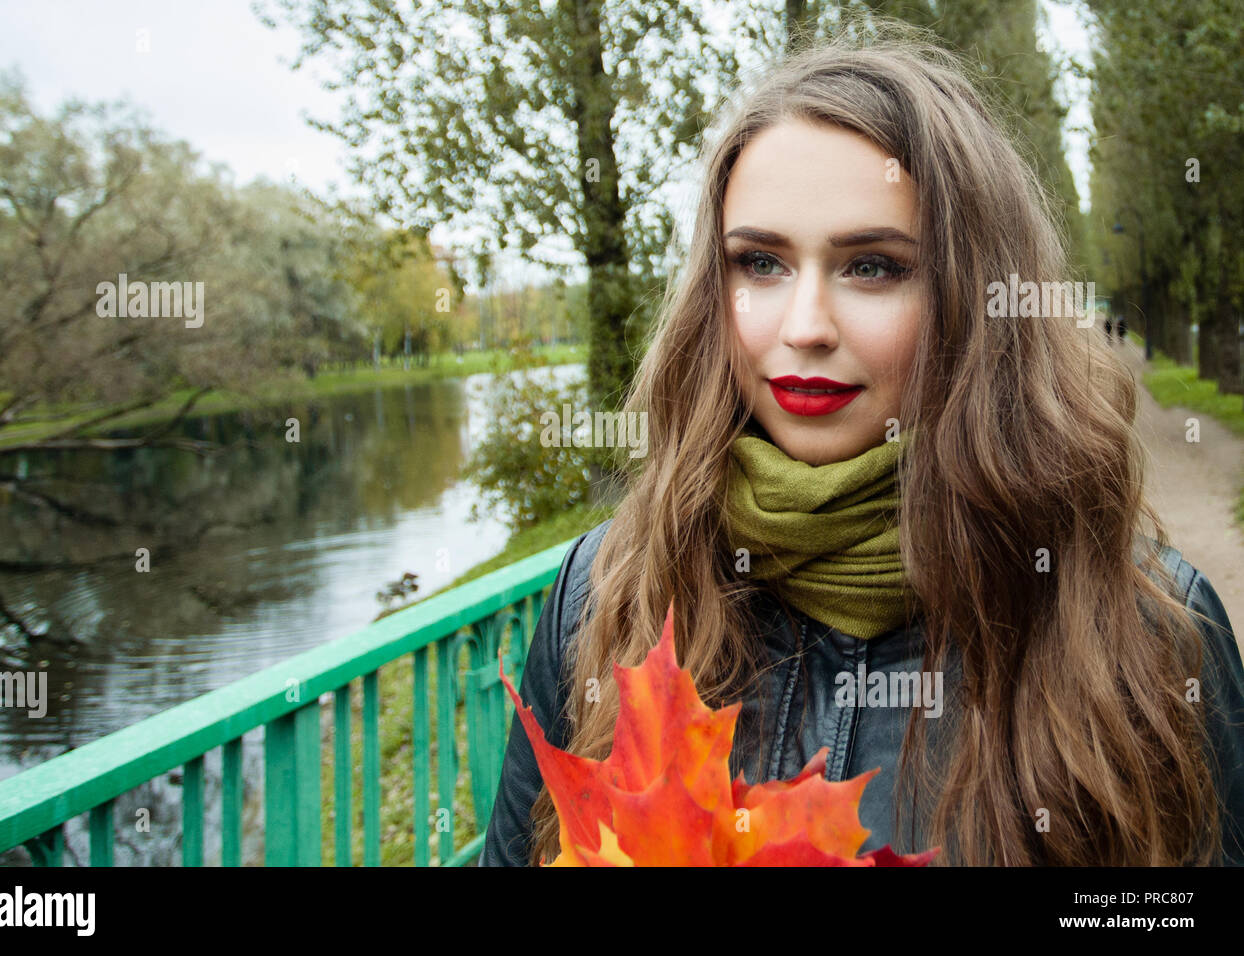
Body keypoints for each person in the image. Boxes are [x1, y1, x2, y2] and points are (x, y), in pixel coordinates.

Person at [479, 27, 1244, 867]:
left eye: (872, 267)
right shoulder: (605, 594)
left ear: (977, 303)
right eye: (760, 263)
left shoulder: (1148, 628)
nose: (804, 328)